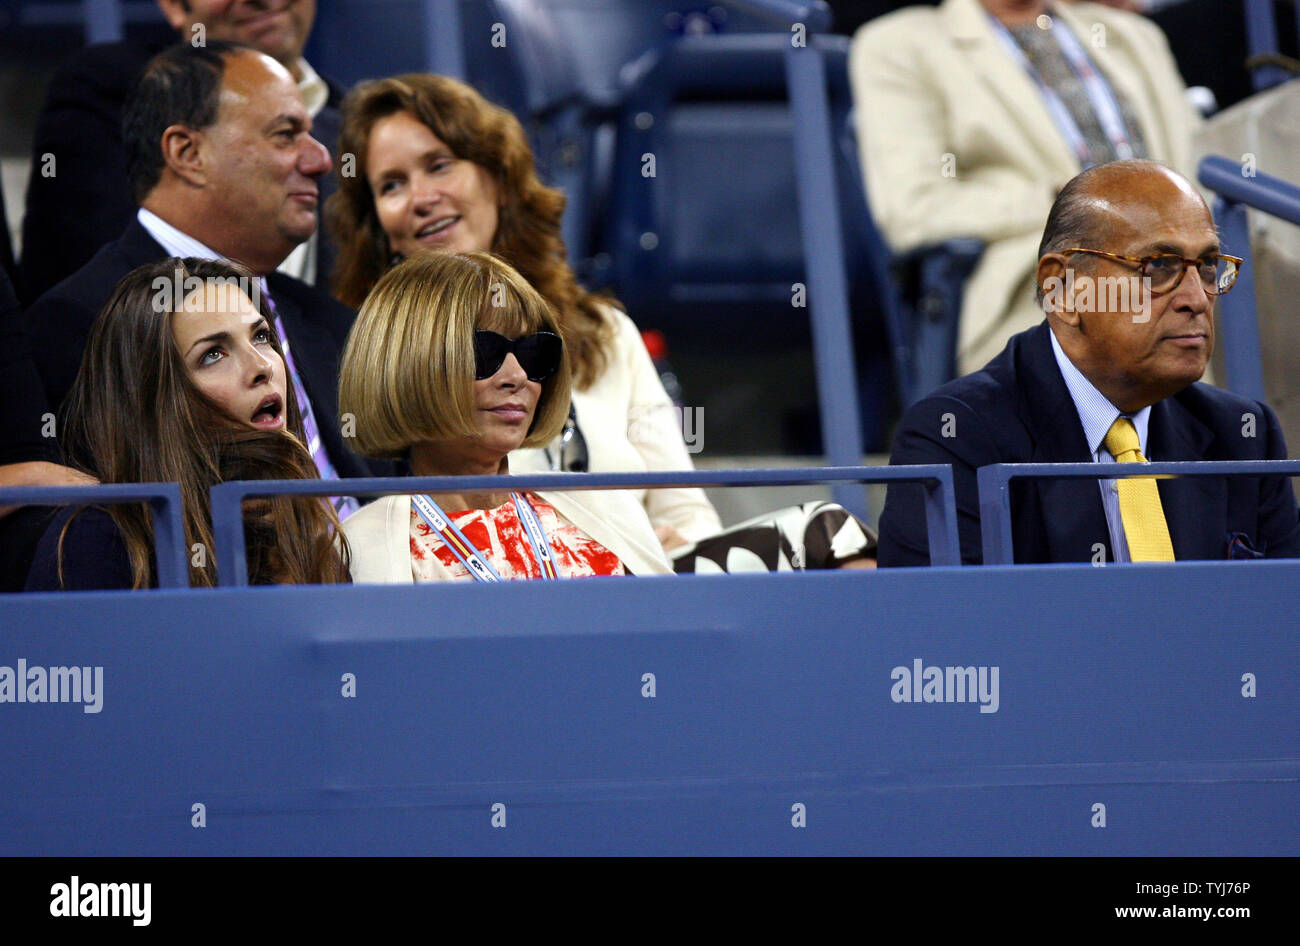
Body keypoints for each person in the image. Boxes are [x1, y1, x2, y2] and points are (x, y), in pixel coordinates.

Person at [326, 73, 724, 553]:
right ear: (378, 227)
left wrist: (639, 556)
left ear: (498, 177)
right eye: (392, 185)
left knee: (826, 530)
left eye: (439, 165)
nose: (422, 199)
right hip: (486, 591)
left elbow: (685, 514)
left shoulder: (606, 331)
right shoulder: (372, 363)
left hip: (648, 584)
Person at [877, 160, 1300, 565]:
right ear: (1062, 289)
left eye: (1207, 266)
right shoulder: (954, 437)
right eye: (1158, 267)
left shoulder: (1243, 435)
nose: (1195, 298)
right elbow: (945, 631)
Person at [24, 41, 377, 491]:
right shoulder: (78, 323)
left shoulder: (332, 323)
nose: (321, 160)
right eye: (287, 134)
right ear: (188, 154)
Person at [850, 0, 1198, 378]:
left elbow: (1204, 159)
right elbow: (914, 208)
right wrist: (1070, 205)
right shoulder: (901, 44)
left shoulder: (1131, 33)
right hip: (1040, 277)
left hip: (1190, 260)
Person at [338, 251, 674, 583]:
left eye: (534, 353)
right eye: (485, 352)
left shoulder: (613, 512)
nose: (517, 376)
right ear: (408, 368)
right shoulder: (358, 550)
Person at [26, 258, 350, 590]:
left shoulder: (304, 526)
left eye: (261, 336)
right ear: (155, 400)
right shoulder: (99, 540)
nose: (262, 366)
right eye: (213, 354)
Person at [19, 0, 341, 302]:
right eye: (284, 134)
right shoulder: (106, 91)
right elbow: (90, 296)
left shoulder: (358, 123)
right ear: (174, 4)